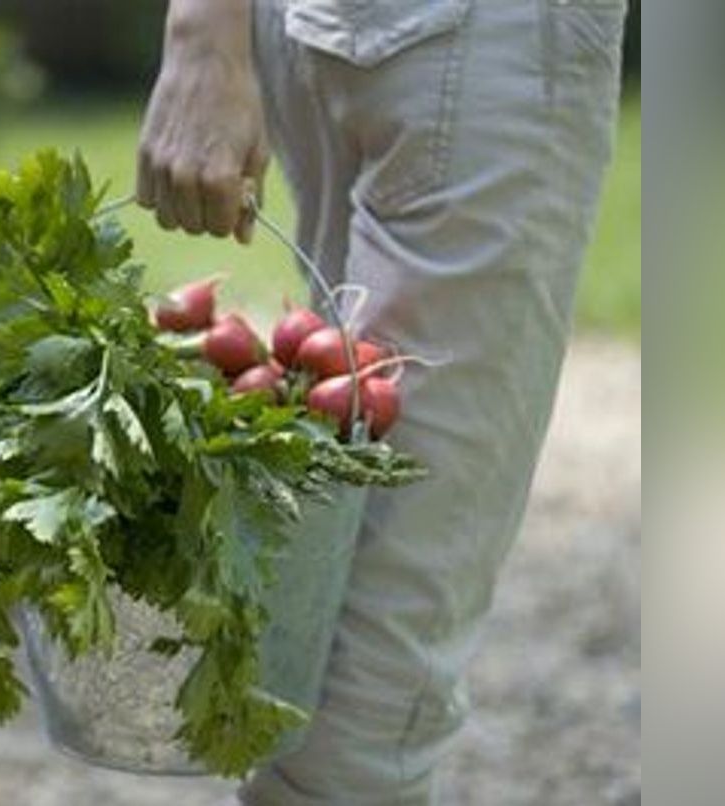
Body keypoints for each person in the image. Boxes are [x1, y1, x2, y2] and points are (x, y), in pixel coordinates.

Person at [136, 0, 627, 803]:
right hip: (470, 41)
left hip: (362, 35)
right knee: (381, 658)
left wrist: (210, 33)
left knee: (333, 569)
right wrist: (199, 36)